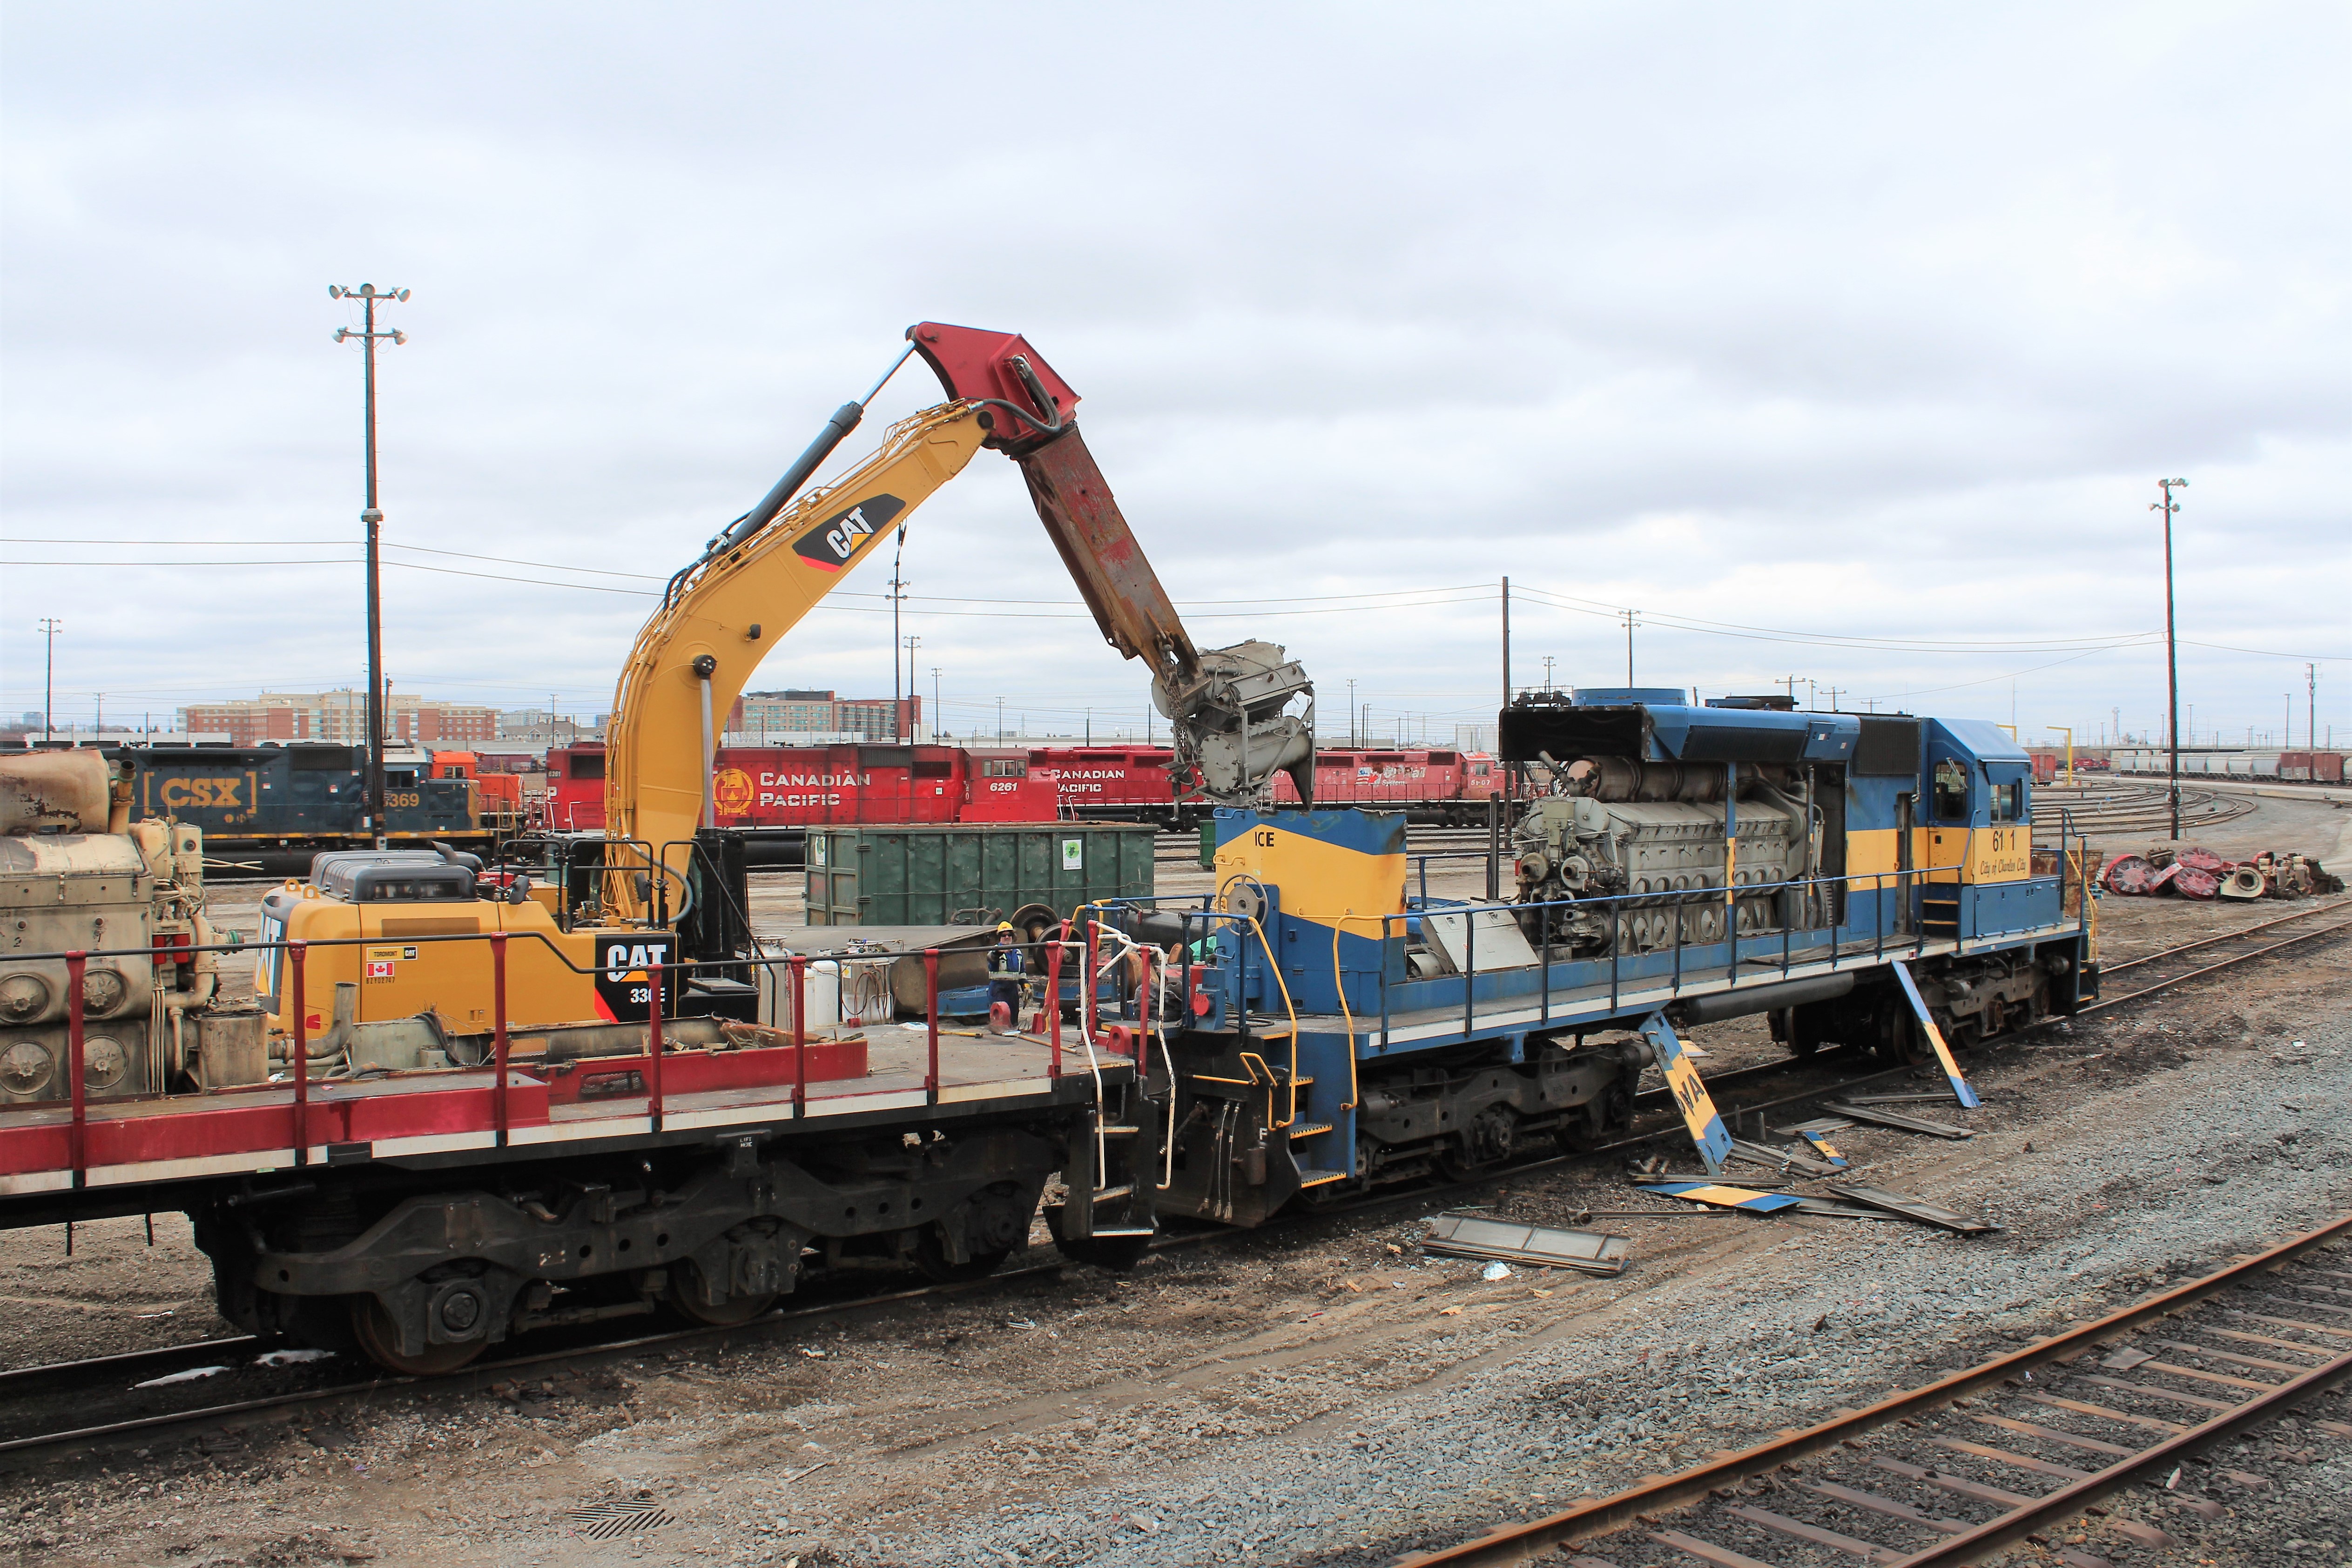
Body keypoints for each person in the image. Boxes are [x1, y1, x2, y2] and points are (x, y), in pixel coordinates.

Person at [985, 921, 1026, 1034]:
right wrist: (999, 952)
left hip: (1013, 989)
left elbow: (1022, 973)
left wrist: (1026, 986)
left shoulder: (1018, 953)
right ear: (1000, 937)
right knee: (1001, 1015)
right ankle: (999, 1035)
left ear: (1013, 936)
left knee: (1013, 1016)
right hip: (998, 989)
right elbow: (991, 958)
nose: (1007, 937)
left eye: (1009, 935)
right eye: (1004, 935)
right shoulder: (995, 950)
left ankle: (1013, 1032)